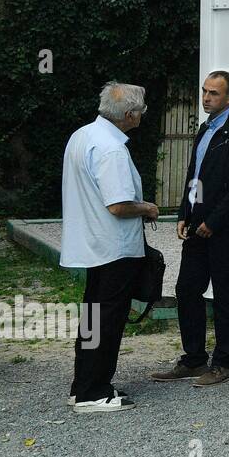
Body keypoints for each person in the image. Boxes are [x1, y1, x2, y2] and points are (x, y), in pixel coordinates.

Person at [63, 82, 159, 413]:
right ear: (129, 115)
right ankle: (94, 392)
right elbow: (118, 205)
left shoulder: (83, 136)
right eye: (141, 112)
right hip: (115, 247)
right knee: (108, 320)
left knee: (91, 317)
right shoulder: (113, 149)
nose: (142, 116)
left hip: (91, 244)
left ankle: (82, 385)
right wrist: (147, 208)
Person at [151, 71, 229, 387]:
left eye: (214, 94)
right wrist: (185, 212)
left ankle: (223, 362)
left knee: (224, 294)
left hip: (227, 230)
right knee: (187, 289)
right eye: (205, 92)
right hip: (198, 226)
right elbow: (196, 177)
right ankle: (194, 359)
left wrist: (214, 221)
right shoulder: (206, 129)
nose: (206, 98)